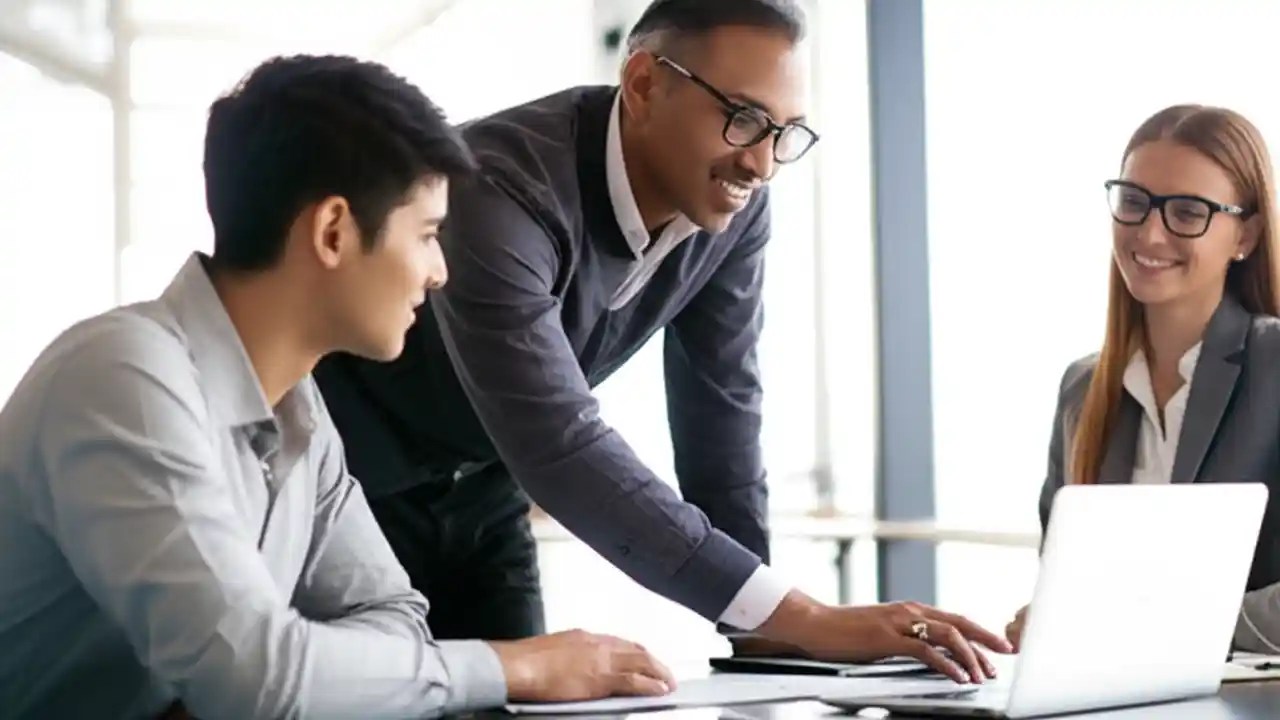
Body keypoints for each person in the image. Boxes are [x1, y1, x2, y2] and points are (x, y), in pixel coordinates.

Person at [314, 0, 1010, 683]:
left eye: (785, 131)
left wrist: (764, 626)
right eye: (742, 119)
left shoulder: (737, 209)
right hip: (350, 486)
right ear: (644, 84)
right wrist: (802, 614)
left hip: (488, 496)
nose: (763, 164)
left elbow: (722, 408)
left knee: (516, 706)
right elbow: (560, 442)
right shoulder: (496, 187)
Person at [0, 54, 676, 720]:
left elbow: (395, 619)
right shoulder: (125, 379)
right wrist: (517, 666)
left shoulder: (299, 410)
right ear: (332, 232)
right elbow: (258, 680)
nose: (439, 272)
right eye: (428, 235)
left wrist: (267, 678)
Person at [1006, 104, 1280, 653]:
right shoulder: (1084, 390)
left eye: (1187, 212)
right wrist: (1048, 620)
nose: (1150, 234)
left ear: (1245, 234)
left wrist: (1146, 627)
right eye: (1134, 203)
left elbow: (1112, 618)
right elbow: (1071, 591)